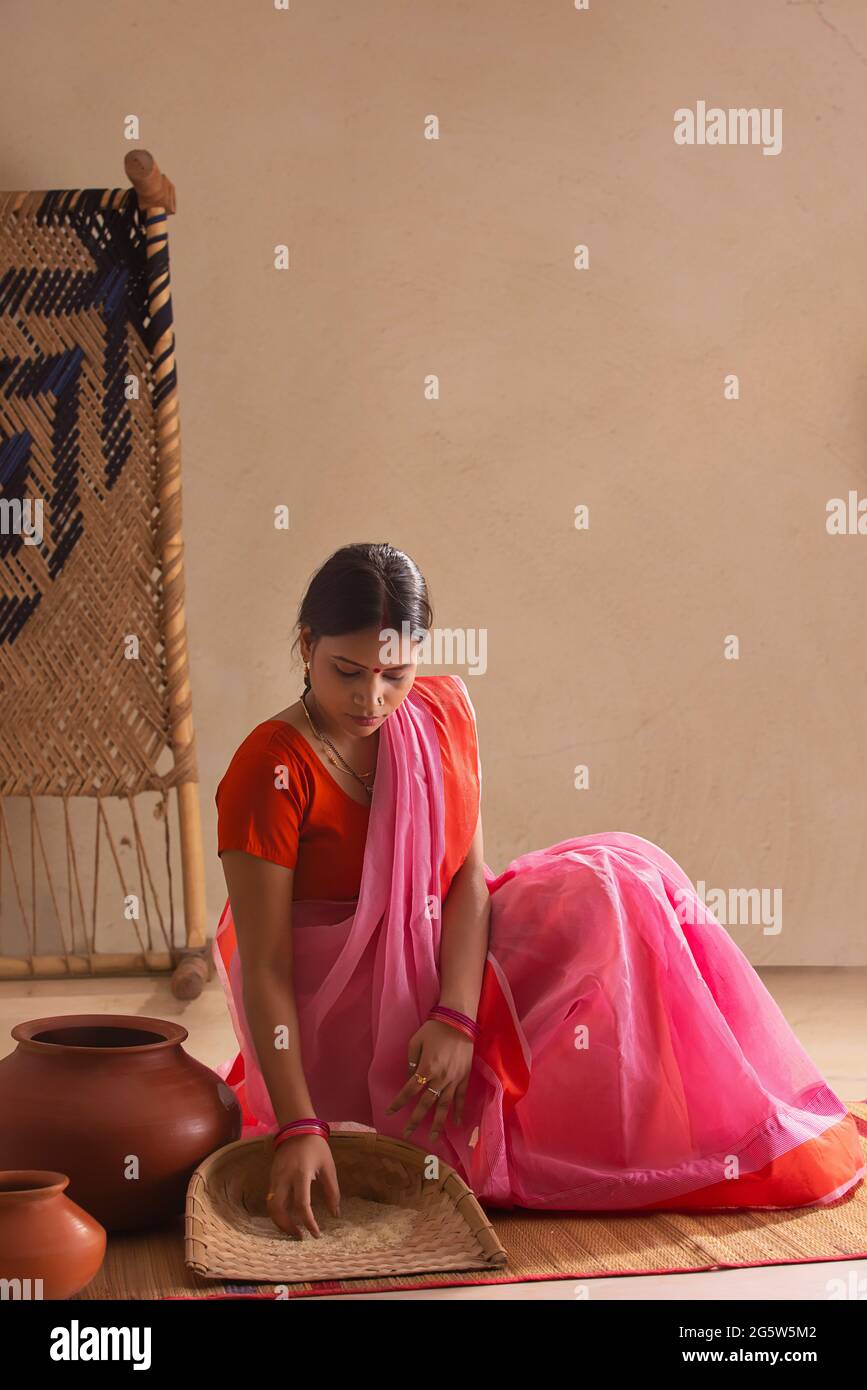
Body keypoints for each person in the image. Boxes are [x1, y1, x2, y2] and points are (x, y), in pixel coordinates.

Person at [213, 542, 864, 1240]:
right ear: (307, 644)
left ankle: (678, 1127)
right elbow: (269, 967)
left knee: (620, 882)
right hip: (341, 1024)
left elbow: (466, 877)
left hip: (448, 958)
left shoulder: (436, 716)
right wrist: (298, 1125)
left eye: (394, 674)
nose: (371, 698)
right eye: (346, 671)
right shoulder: (270, 768)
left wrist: (456, 1018)